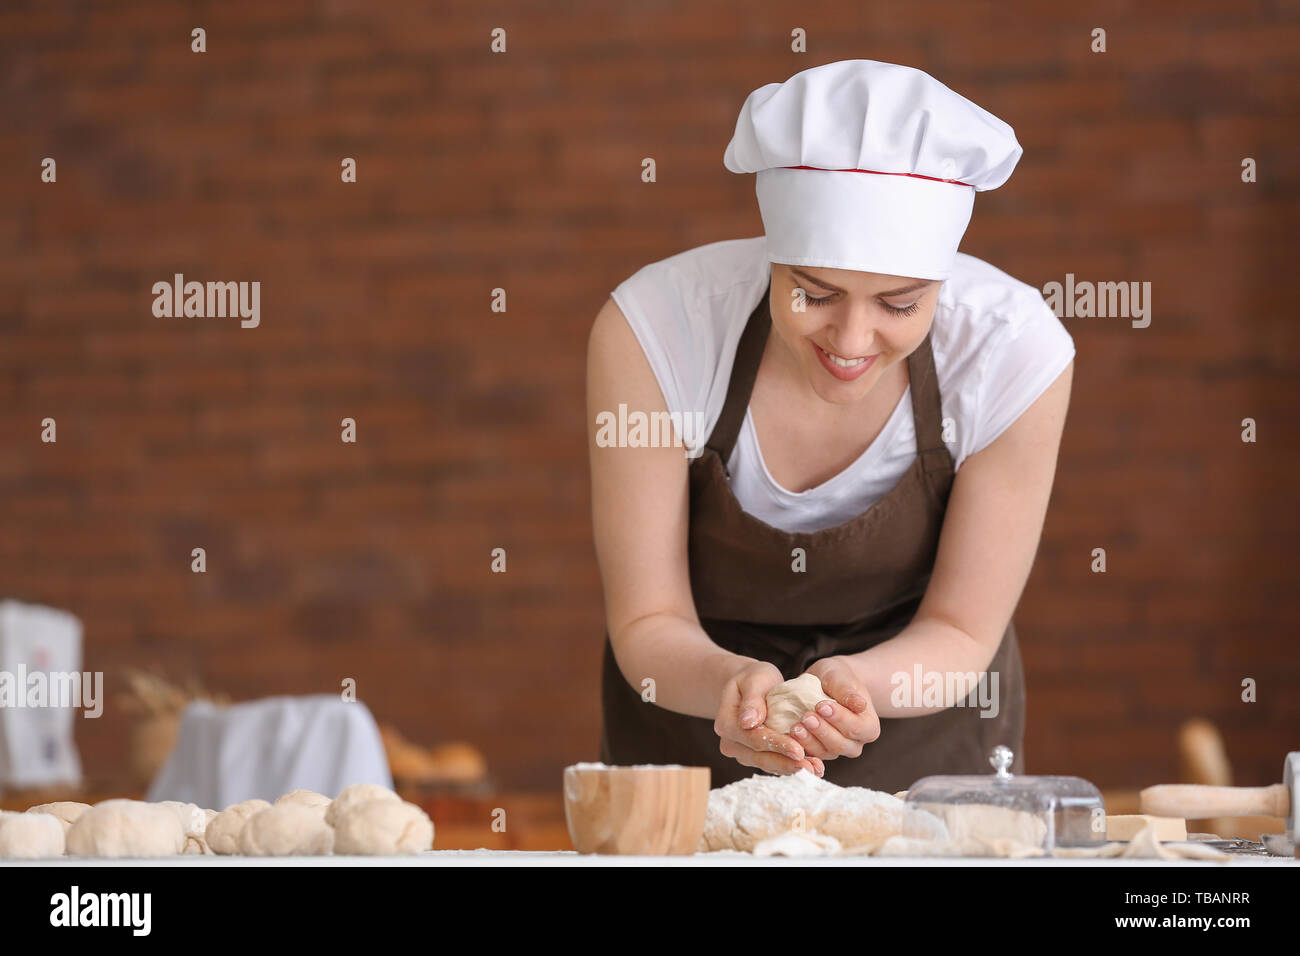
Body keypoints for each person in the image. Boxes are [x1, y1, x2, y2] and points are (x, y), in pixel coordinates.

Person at [586, 60, 1075, 792]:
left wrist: (847, 687)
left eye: (900, 306)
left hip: (923, 727)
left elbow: (962, 629)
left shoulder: (1011, 350)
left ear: (942, 282)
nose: (851, 341)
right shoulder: (658, 329)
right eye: (814, 293)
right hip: (691, 716)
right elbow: (647, 618)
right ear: (774, 259)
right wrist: (734, 688)